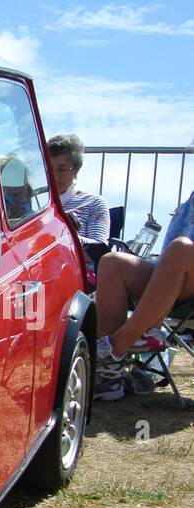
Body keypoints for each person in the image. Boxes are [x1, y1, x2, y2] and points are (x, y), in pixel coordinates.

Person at [93, 236, 194, 399]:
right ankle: (107, 377)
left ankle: (118, 344)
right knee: (113, 263)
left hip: (183, 263)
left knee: (181, 249)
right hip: (174, 272)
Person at [48, 134, 110, 245]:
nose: (55, 176)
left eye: (62, 169)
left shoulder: (94, 203)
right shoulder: (36, 208)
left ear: (76, 169)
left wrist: (67, 236)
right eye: (50, 169)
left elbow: (99, 249)